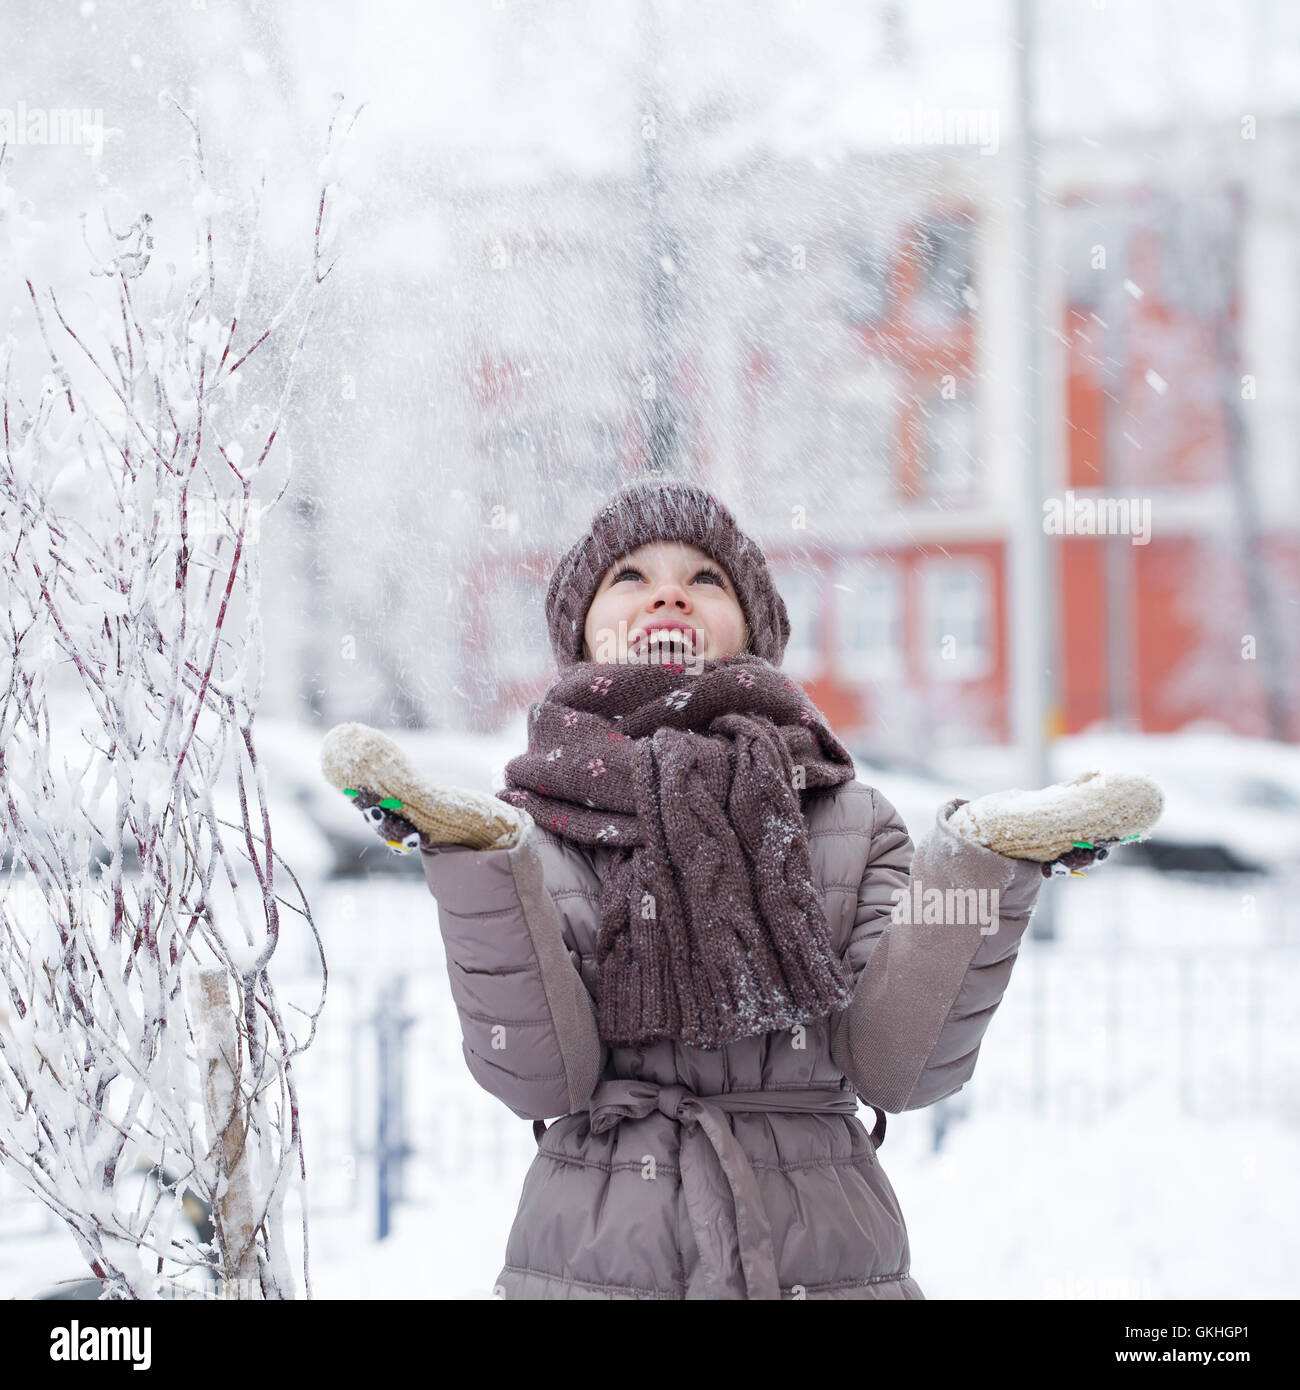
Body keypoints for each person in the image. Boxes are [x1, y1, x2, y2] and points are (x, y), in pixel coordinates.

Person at [320, 477, 1162, 1300]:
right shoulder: (536, 829)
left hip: (823, 1250)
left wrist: (980, 867)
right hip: (597, 1255)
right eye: (631, 577)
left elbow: (897, 1067)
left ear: (753, 629)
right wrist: (479, 860)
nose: (669, 598)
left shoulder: (850, 818)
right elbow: (541, 1079)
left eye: (705, 579)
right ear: (579, 629)